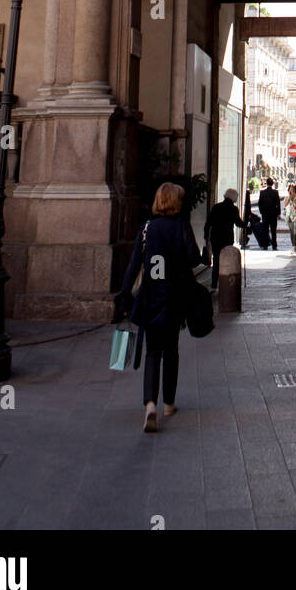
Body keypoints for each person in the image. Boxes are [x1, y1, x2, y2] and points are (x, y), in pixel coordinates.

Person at [115, 182, 201, 433]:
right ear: (176, 202)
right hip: (174, 296)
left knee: (152, 350)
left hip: (151, 296)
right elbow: (193, 259)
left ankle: (150, 404)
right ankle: (169, 403)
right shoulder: (182, 227)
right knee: (171, 349)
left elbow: (133, 265)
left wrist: (124, 293)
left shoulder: (146, 228)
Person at [204, 187, 245, 290]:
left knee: (216, 259)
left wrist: (206, 236)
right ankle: (225, 281)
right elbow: (238, 223)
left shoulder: (216, 207)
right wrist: (246, 225)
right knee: (226, 260)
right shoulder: (233, 209)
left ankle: (214, 283)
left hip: (215, 237)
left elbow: (208, 223)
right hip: (227, 238)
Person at [258, 177, 281, 250]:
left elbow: (259, 204)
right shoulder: (275, 192)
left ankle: (265, 245)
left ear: (266, 183)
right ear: (272, 184)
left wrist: (262, 212)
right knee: (273, 230)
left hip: (265, 214)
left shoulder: (262, 192)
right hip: (273, 215)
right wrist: (278, 213)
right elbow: (278, 204)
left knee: (265, 230)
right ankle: (274, 246)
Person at [284, 183, 296, 254]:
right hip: (289, 217)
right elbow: (285, 205)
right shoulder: (287, 198)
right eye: (290, 189)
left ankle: (294, 247)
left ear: (295, 190)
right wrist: (289, 196)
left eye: (292, 190)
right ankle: (293, 245)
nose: (291, 191)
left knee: (295, 232)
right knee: (292, 232)